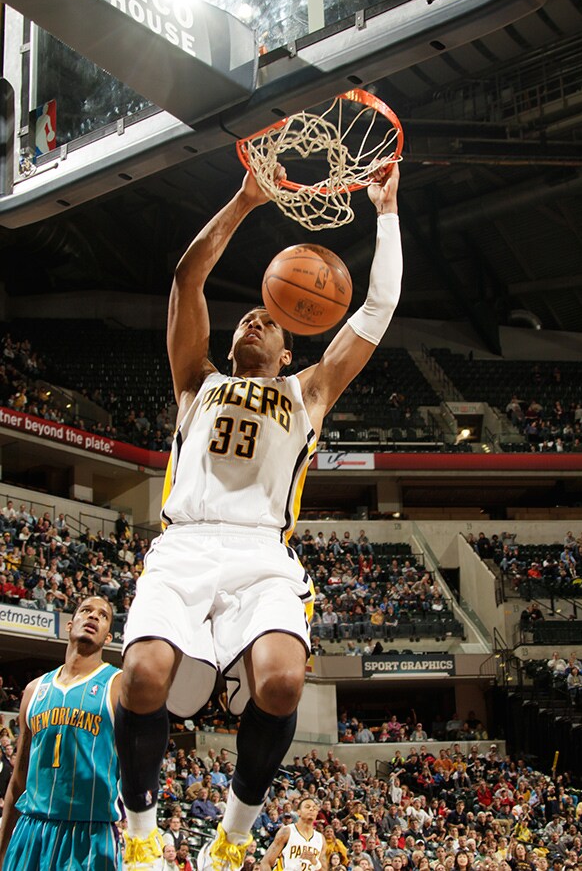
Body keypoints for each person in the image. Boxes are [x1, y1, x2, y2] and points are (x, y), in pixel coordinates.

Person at [114, 160, 403, 871]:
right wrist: (246, 197)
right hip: (184, 546)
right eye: (248, 314)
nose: (253, 319)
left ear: (288, 347)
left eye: (267, 320)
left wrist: (387, 214)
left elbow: (377, 308)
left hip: (263, 554)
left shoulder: (310, 391)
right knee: (143, 680)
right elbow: (188, 279)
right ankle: (144, 830)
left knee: (280, 683)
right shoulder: (197, 381)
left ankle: (234, 834)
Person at [0, 596, 122, 871]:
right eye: (86, 610)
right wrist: (1, 847)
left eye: (102, 616)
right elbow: (18, 780)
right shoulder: (34, 690)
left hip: (88, 837)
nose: (93, 617)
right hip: (31, 830)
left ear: (108, 637)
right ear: (69, 624)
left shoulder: (117, 685)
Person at [259, 797, 326, 871]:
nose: (311, 809)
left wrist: (315, 862)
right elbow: (266, 862)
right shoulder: (287, 831)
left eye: (314, 808)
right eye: (307, 807)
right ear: (298, 812)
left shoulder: (321, 839)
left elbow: (324, 869)